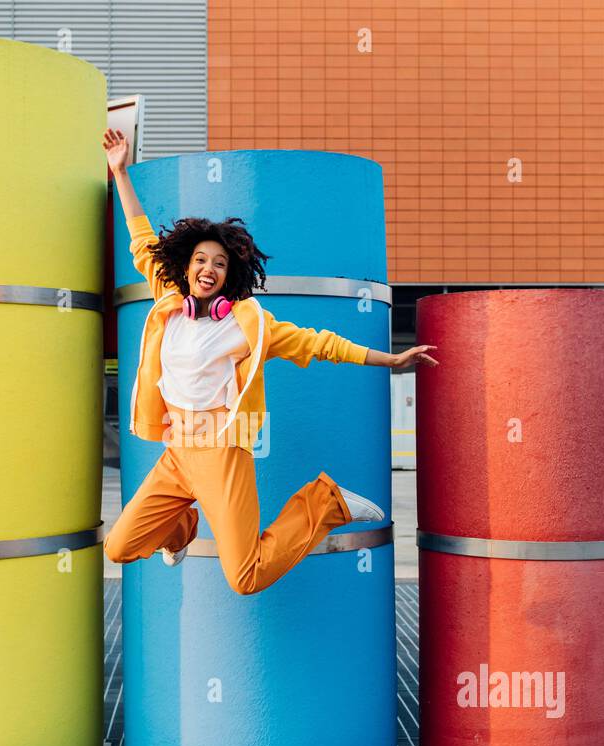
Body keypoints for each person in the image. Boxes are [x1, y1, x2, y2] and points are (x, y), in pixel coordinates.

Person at [101, 128, 438, 595]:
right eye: (201, 260)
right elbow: (141, 239)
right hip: (176, 453)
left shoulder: (248, 325)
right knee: (118, 547)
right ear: (186, 266)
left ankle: (327, 502)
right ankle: (181, 528)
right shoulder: (168, 301)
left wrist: (389, 359)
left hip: (222, 450)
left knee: (245, 577)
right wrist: (119, 171)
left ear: (229, 276)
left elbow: (318, 344)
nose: (208, 269)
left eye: (219, 264)